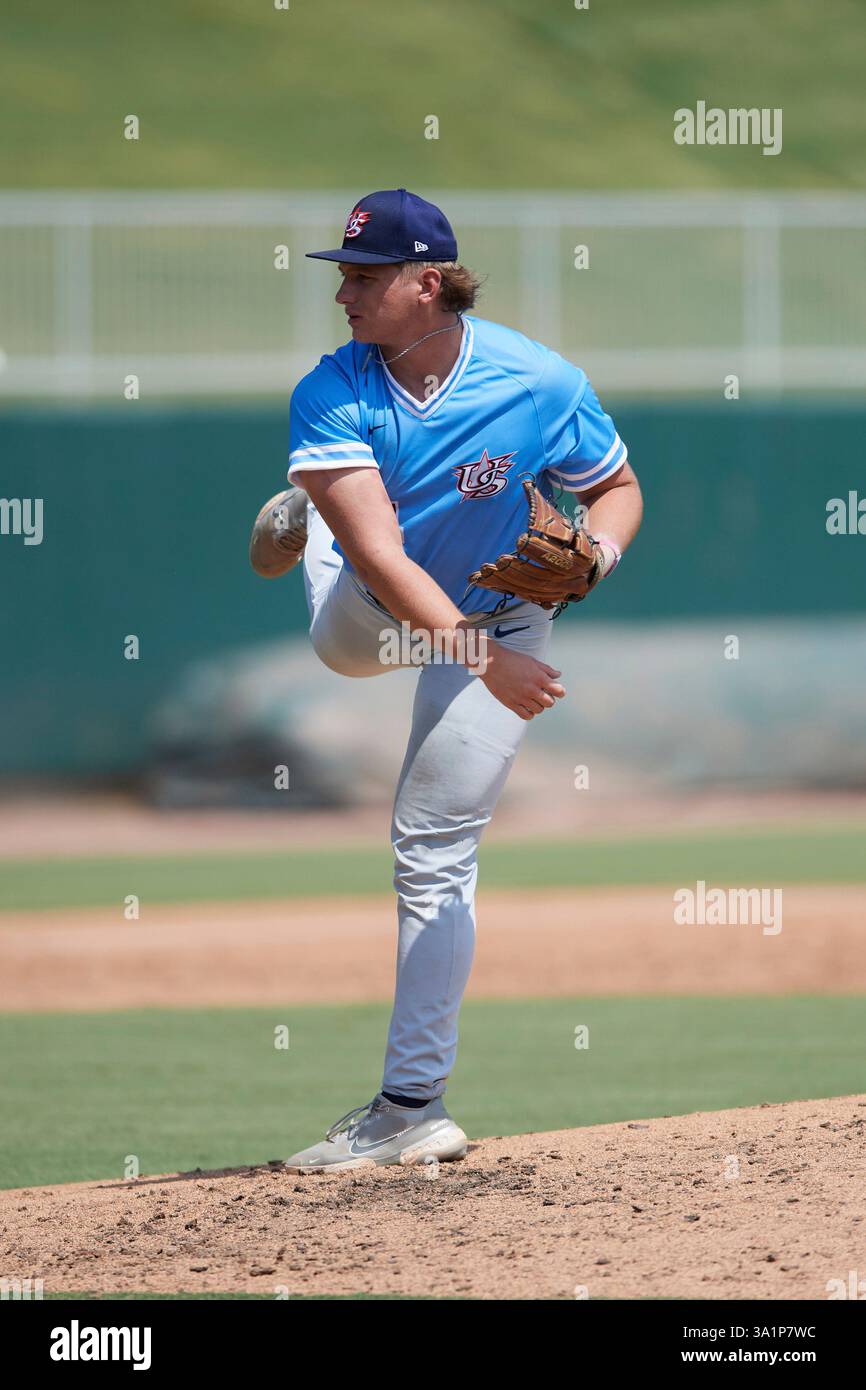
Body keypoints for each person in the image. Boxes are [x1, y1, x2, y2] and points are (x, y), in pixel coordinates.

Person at [249, 188, 643, 1170]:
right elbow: (385, 559)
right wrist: (487, 660)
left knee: (431, 845)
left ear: (427, 283)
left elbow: (614, 488)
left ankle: (409, 1108)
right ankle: (314, 515)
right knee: (340, 623)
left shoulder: (537, 379)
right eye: (342, 273)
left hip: (503, 607)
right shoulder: (331, 389)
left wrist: (594, 556)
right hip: (371, 610)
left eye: (363, 275)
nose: (342, 293)